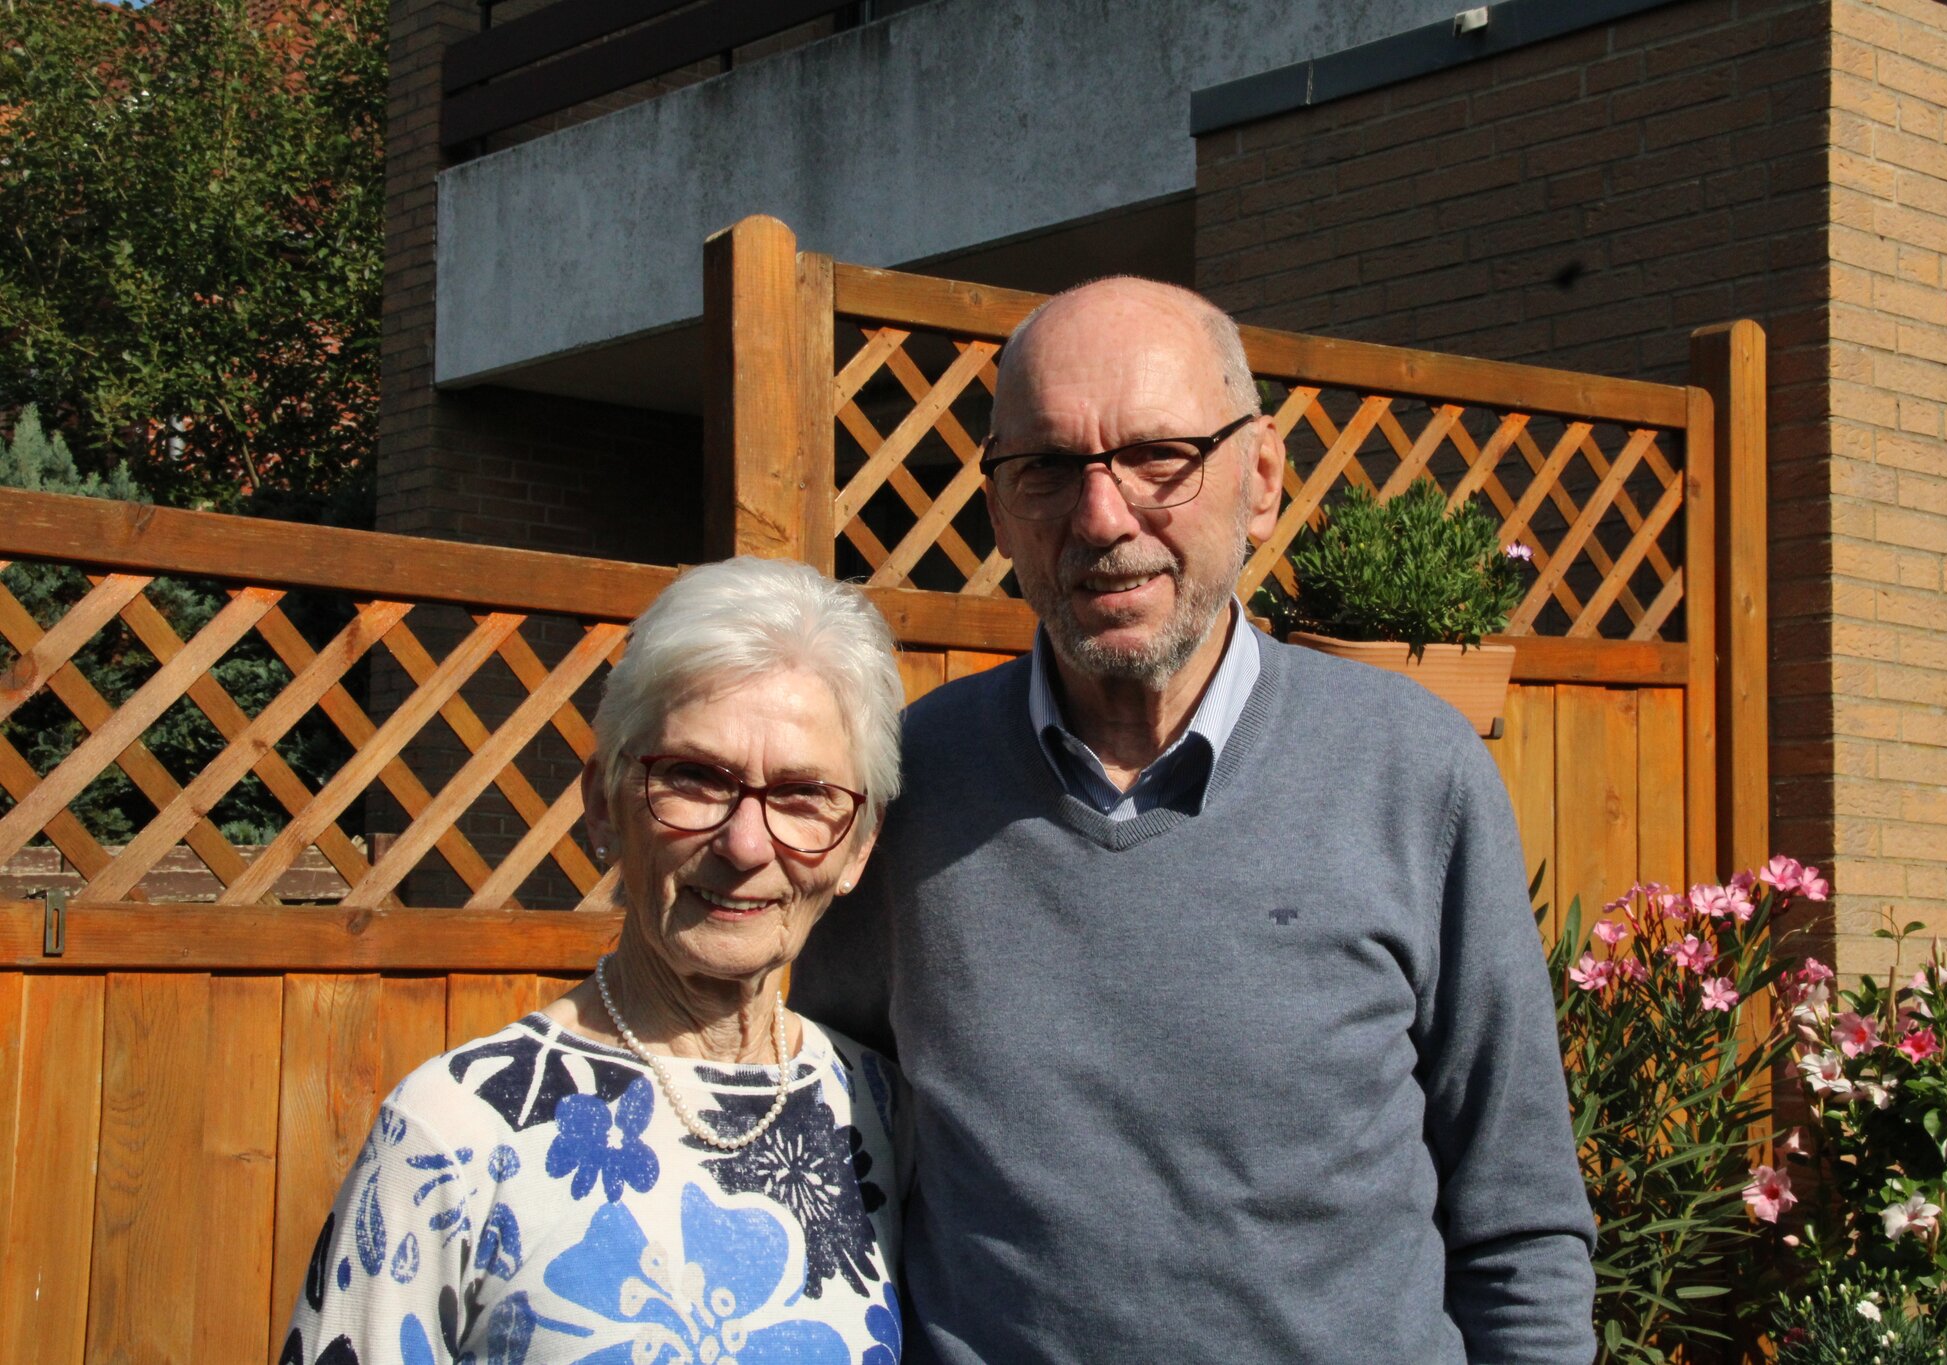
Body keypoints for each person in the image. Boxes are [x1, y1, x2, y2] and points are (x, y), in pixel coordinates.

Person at [794, 278, 1597, 1362]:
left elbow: (1521, 1229)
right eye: (1045, 470)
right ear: (997, 508)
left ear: (1258, 479)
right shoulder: (908, 788)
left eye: (1155, 457)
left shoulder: (1412, 775)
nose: (1101, 518)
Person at [282, 557, 912, 1365]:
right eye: (694, 777)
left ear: (857, 846)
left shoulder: (880, 1114)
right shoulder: (451, 1133)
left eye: (801, 795)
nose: (746, 844)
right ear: (602, 804)